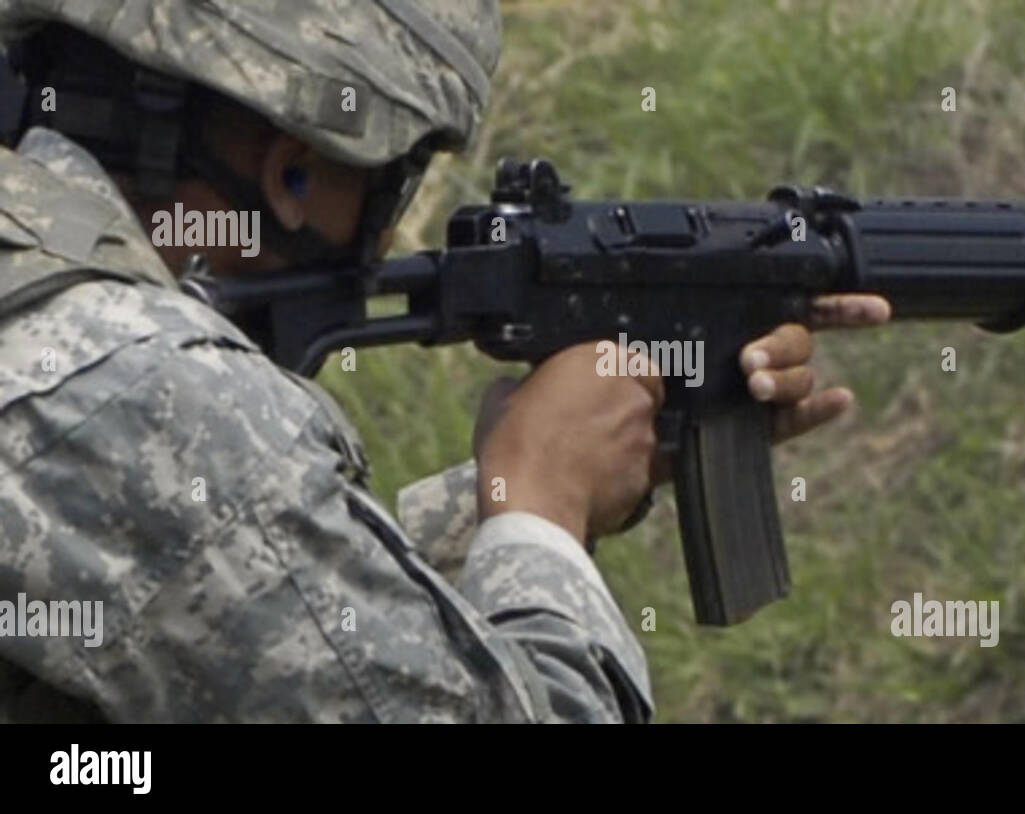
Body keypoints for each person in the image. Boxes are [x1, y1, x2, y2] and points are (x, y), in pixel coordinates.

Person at [0, 0, 890, 723]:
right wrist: (543, 513)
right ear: (292, 174)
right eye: (398, 180)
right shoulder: (159, 394)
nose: (391, 231)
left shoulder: (53, 309)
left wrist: (515, 490)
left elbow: (237, 592)